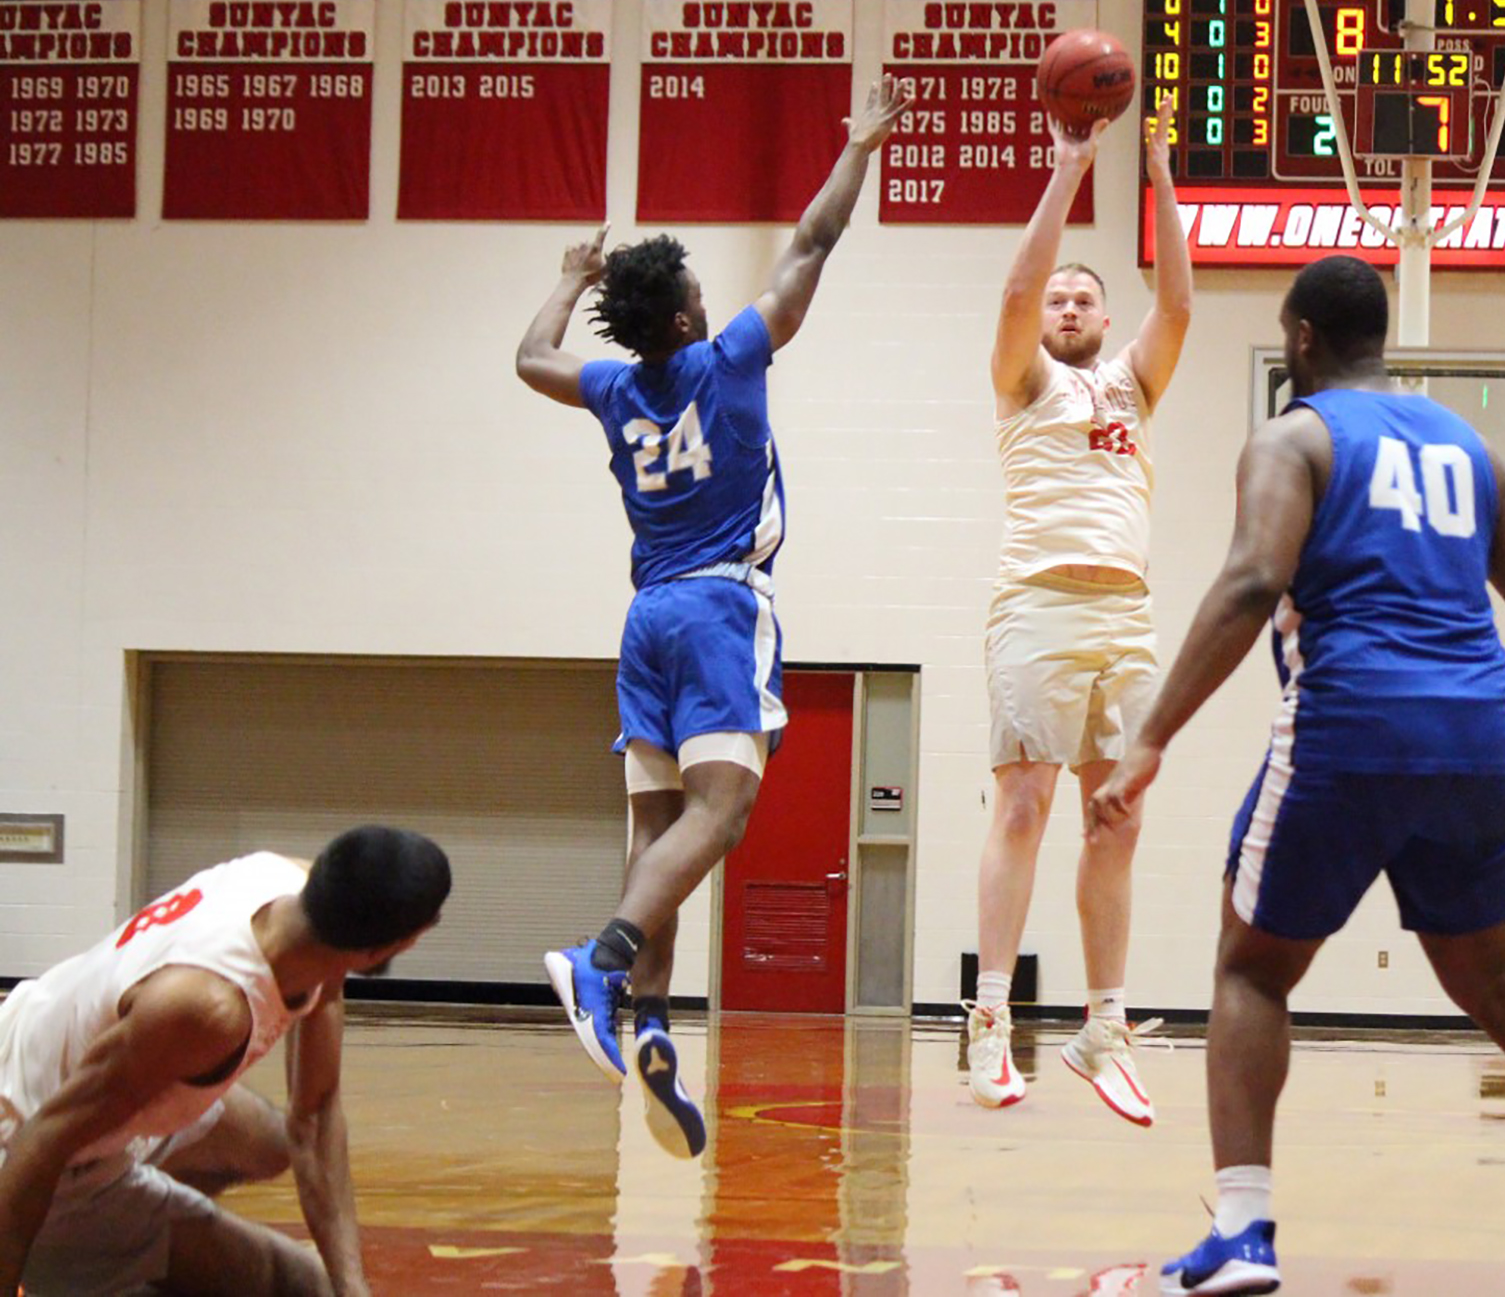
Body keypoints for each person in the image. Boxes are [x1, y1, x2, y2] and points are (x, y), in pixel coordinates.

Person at [1088, 256, 1505, 1292]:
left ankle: (1242, 1231)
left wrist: (1152, 736)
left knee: (1252, 970)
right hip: (1476, 732)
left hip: (1351, 722)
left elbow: (1251, 581)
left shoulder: (1294, 437)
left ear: (1300, 338)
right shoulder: (1468, 445)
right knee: (1501, 980)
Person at [516, 78, 913, 1157]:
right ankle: (601, 961)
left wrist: (569, 279)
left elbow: (531, 359)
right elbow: (813, 242)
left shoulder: (613, 388)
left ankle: (648, 1024)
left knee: (658, 835)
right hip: (720, 603)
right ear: (689, 317)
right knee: (723, 813)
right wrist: (859, 147)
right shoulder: (732, 354)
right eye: (696, 285)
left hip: (643, 615)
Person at [965, 93, 1193, 1125]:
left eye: (1083, 299)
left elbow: (1177, 306)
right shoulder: (1021, 380)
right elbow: (1017, 285)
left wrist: (1161, 177)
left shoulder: (1131, 386)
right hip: (1038, 606)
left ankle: (1104, 1027)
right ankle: (989, 1017)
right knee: (1024, 806)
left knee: (1119, 817)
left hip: (1125, 618)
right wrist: (1069, 166)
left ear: (1104, 321)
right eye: (1057, 297)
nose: (1063, 305)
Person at [0, 825, 451, 1296]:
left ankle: (126, 1234)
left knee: (270, 1143)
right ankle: (88, 1247)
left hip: (46, 1052)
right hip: (27, 1145)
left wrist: (353, 1289)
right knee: (297, 1283)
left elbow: (315, 1119)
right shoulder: (210, 1011)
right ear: (379, 951)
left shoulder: (295, 889)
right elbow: (42, 1140)